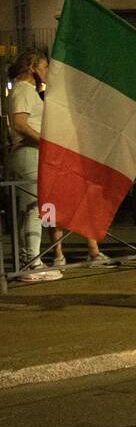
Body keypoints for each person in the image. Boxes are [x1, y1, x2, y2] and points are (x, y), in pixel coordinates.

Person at [4, 50, 61, 281]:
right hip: (29, 153)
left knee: (29, 209)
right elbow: (19, 123)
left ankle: (29, 260)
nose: (48, 71)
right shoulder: (23, 90)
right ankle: (32, 263)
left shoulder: (26, 90)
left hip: (28, 153)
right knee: (34, 209)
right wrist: (44, 140)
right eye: (45, 67)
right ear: (32, 68)